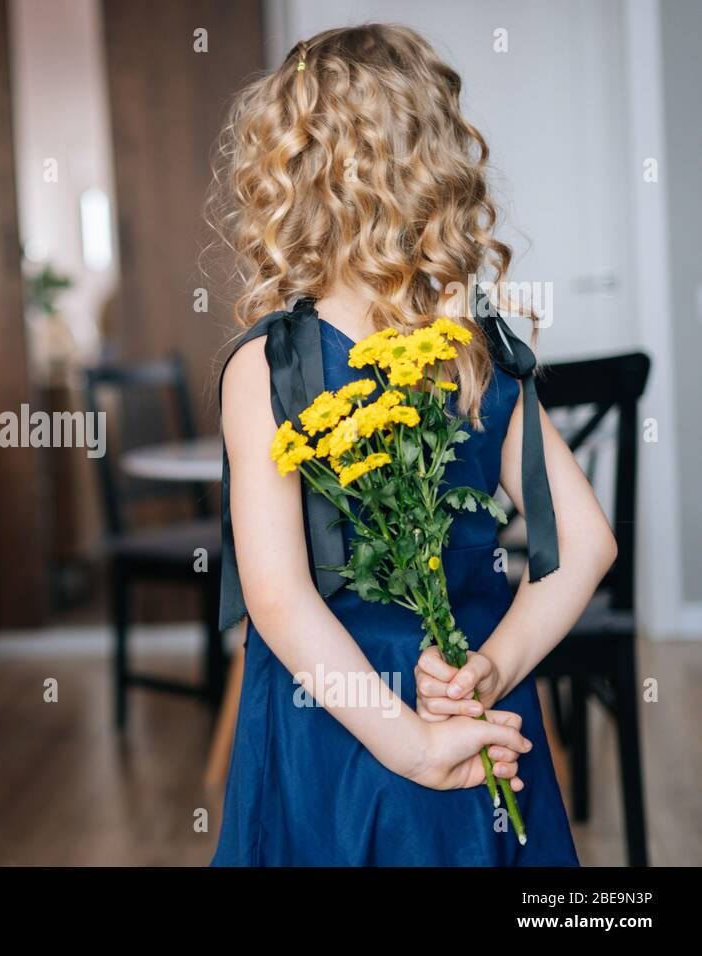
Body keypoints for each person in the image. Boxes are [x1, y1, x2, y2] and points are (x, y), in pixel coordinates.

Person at [208, 25, 615, 865]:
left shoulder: (268, 367)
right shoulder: (473, 349)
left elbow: (278, 600)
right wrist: (488, 674)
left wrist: (408, 744)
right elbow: (587, 543)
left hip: (338, 719)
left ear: (293, 177)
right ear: (432, 169)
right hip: (465, 698)